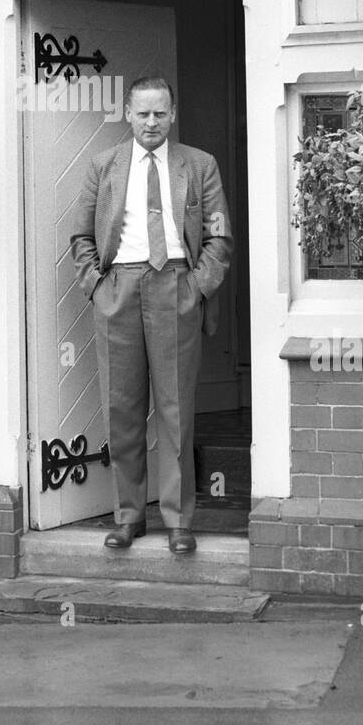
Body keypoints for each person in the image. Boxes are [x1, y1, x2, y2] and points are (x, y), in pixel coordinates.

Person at [68, 76, 232, 554]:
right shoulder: (105, 166)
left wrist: (197, 286)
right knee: (122, 409)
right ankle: (128, 516)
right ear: (127, 114)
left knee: (176, 410)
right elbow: (80, 236)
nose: (152, 122)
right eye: (143, 113)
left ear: (173, 114)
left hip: (177, 285)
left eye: (160, 113)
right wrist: (97, 288)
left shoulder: (199, 165)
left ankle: (179, 521)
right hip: (118, 289)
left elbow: (219, 235)